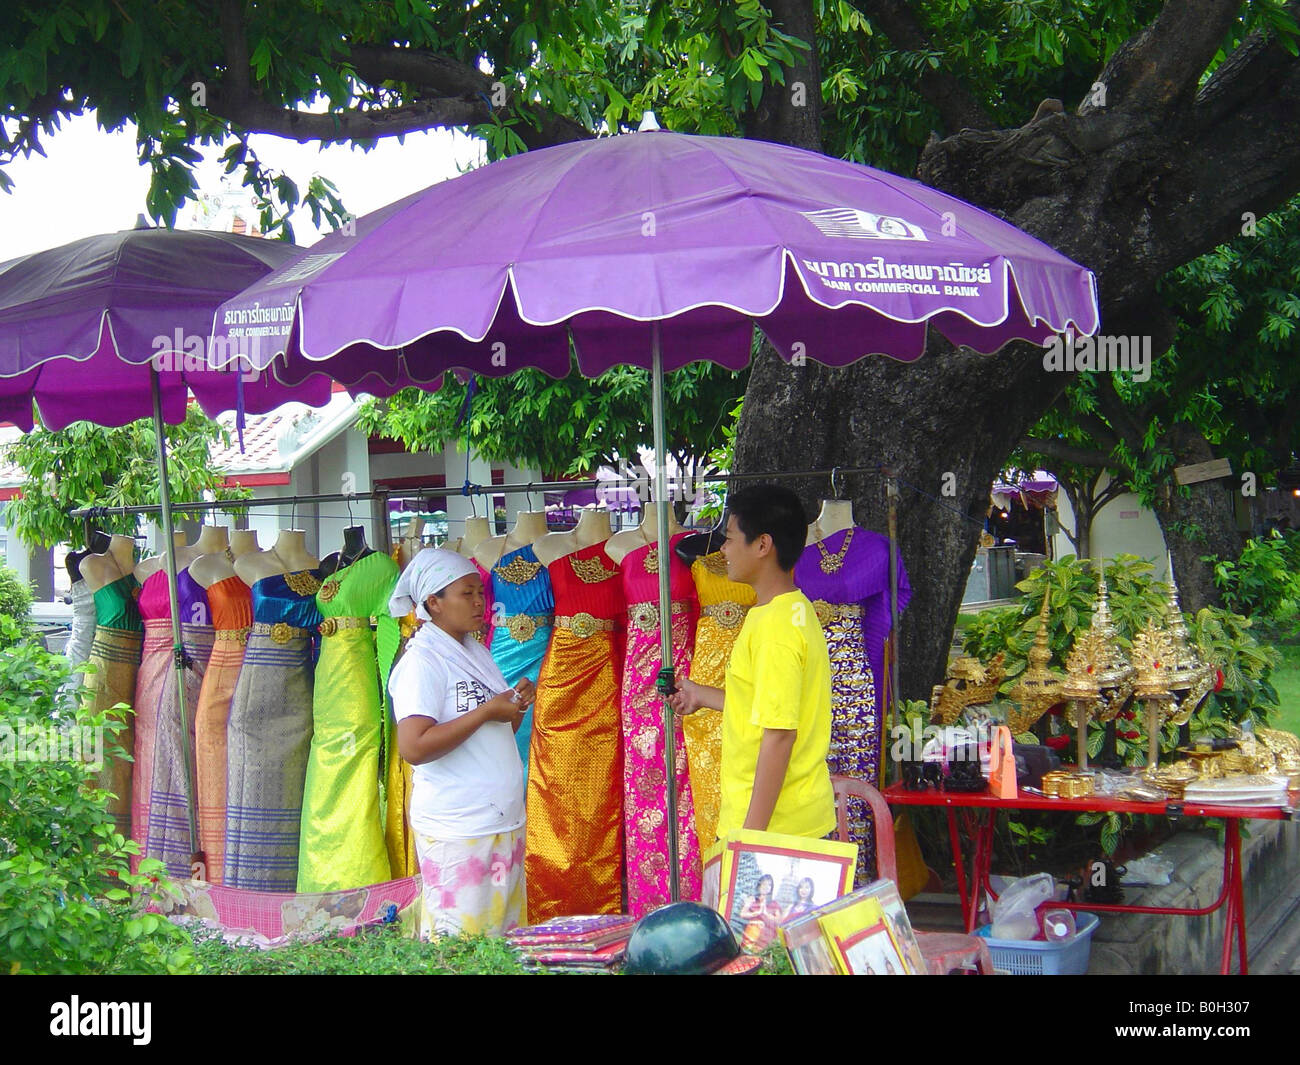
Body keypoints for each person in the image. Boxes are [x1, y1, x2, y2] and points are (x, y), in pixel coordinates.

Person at [668, 485, 836, 842]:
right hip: (781, 825)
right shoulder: (783, 611)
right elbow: (766, 708)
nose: (723, 550)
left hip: (778, 831)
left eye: (729, 539)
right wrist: (702, 696)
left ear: (762, 545)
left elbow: (779, 735)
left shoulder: (777, 628)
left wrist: (753, 839)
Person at [387, 548, 535, 938]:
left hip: (500, 822)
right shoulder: (423, 662)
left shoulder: (476, 651)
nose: (478, 603)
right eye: (465, 594)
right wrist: (487, 711)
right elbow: (414, 747)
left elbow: (496, 725)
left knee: (500, 941)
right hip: (459, 828)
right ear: (433, 603)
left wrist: (514, 704)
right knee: (459, 945)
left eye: (480, 594)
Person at [738, 873, 784, 952]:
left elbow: (779, 921)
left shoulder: (774, 904)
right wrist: (753, 914)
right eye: (764, 884)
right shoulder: (752, 899)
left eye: (769, 885)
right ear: (759, 886)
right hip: (751, 933)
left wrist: (767, 915)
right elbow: (742, 914)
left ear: (771, 888)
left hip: (766, 937)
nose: (766, 887)